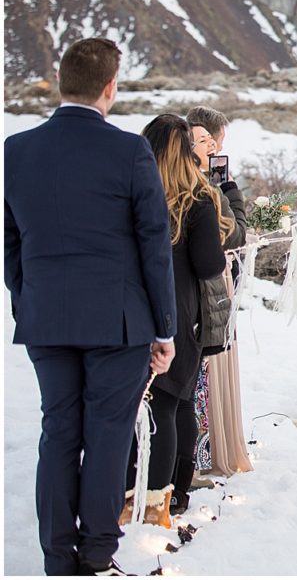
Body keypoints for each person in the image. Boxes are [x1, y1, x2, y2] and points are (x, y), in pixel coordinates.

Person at [4, 38, 176, 578]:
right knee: (107, 433)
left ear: (61, 83)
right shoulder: (129, 151)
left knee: (58, 432)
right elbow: (154, 244)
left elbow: (11, 243)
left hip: (46, 317)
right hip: (118, 321)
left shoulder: (16, 149)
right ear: (110, 88)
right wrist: (165, 329)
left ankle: (58, 560)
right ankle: (97, 554)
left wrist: (26, 299)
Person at [134, 115, 232, 524]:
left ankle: (132, 492)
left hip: (132, 309)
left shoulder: (131, 192)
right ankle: (166, 499)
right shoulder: (197, 200)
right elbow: (209, 265)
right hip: (179, 311)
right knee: (174, 404)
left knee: (139, 406)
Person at [187, 108, 251, 486]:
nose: (216, 148)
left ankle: (206, 450)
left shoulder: (204, 182)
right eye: (209, 142)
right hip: (205, 286)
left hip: (207, 284)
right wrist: (227, 186)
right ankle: (199, 454)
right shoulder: (204, 187)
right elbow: (234, 232)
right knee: (201, 372)